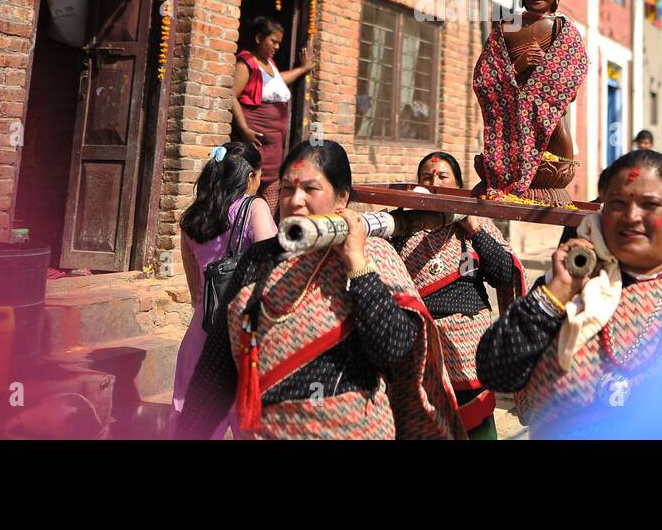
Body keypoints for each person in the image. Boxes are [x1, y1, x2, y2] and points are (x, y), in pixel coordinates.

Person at [175, 141, 463, 440]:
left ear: (342, 198)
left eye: (310, 189)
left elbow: (394, 349)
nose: (295, 201)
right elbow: (216, 371)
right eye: (287, 189)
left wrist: (356, 263)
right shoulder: (258, 260)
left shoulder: (374, 255)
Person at [476, 150, 662, 438]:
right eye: (618, 203)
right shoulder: (563, 290)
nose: (631, 216)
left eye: (649, 204)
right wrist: (557, 293)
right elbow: (495, 372)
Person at [391, 152, 525, 439]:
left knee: (476, 424)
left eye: (442, 177)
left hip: (466, 345)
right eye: (427, 177)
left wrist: (474, 228)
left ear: (458, 184)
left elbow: (502, 273)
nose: (434, 182)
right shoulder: (401, 226)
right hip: (420, 342)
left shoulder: (474, 224)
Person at [172, 140, 278, 436]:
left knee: (192, 421)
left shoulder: (192, 217)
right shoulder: (254, 207)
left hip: (201, 332)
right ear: (250, 177)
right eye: (259, 176)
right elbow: (273, 265)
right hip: (242, 334)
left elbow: (196, 292)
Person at [473, 0, 588, 204]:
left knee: (558, 166)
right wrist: (518, 67)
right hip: (508, 130)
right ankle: (507, 177)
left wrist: (543, 79)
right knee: (491, 162)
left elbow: (570, 84)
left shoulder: (563, 30)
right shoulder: (507, 27)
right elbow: (483, 81)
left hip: (551, 125)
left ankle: (527, 180)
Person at [232, 16, 315, 210]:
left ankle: (265, 235)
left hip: (274, 146)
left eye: (279, 43)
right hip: (256, 141)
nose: (277, 47)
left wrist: (302, 69)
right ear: (259, 37)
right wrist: (244, 129)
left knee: (271, 189)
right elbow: (232, 95)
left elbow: (279, 81)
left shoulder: (269, 64)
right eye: (273, 41)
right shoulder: (247, 63)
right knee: (247, 182)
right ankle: (243, 229)